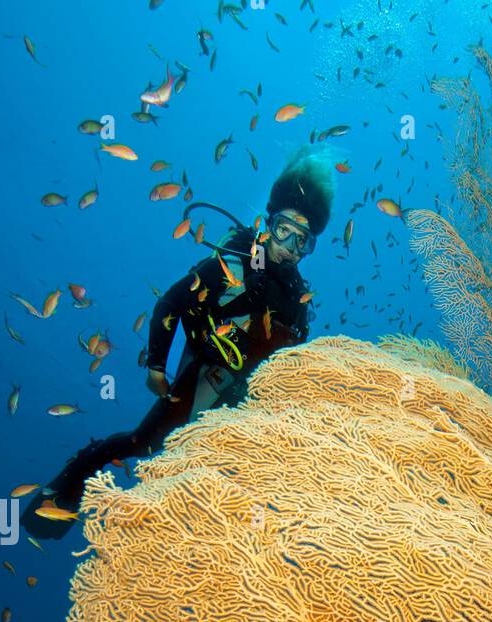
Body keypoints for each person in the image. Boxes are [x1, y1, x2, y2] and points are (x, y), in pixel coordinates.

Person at [22, 151, 334, 540]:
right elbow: (170, 304)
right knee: (143, 442)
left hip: (248, 400)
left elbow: (295, 360)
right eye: (285, 230)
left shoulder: (297, 297)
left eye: (303, 241)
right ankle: (64, 489)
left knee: (215, 479)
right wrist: (156, 366)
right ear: (268, 224)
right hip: (204, 371)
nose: (291, 245)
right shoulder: (234, 262)